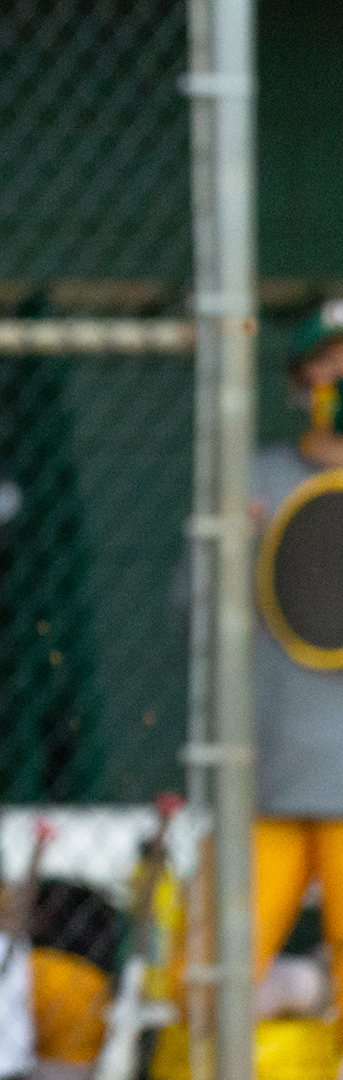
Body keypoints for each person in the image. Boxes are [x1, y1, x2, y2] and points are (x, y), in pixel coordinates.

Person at [246, 300, 343, 1049]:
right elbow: (191, 618)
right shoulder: (249, 482)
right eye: (327, 358)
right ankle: (309, 984)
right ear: (298, 378)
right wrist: (232, 546)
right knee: (204, 983)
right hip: (265, 781)